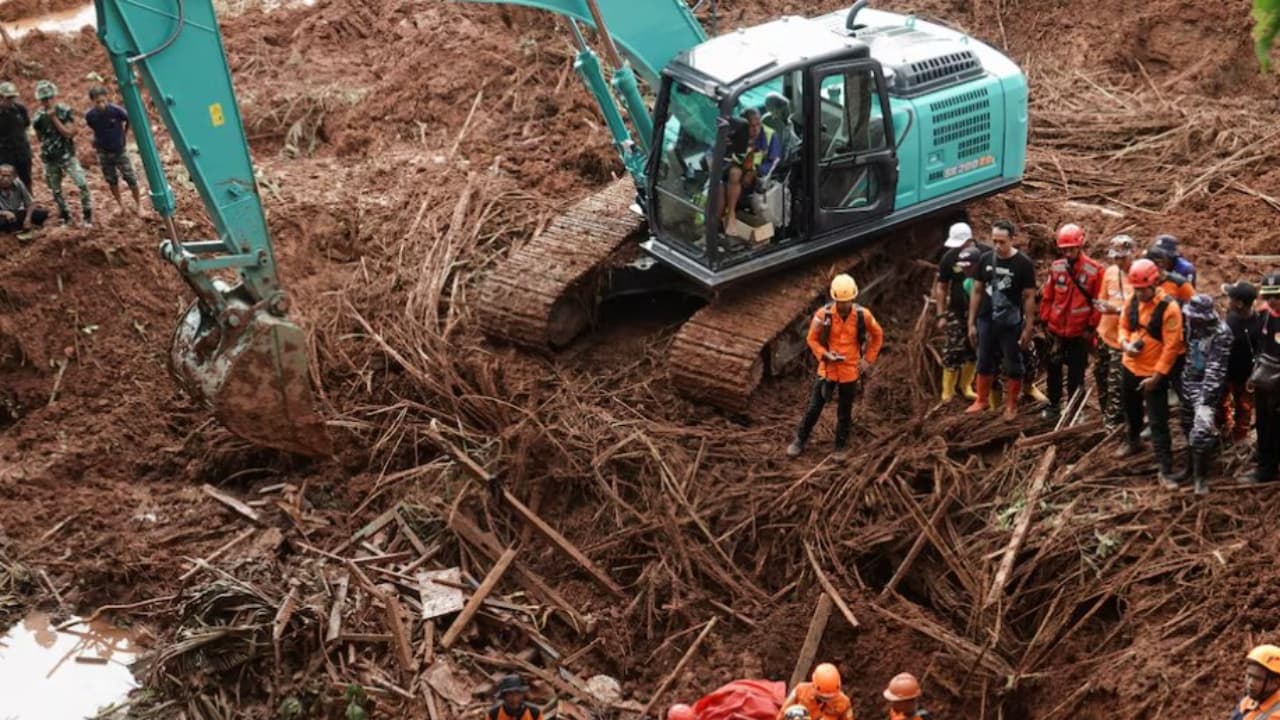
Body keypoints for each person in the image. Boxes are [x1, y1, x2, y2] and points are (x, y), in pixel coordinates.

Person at [787, 273, 883, 459]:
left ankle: (840, 446)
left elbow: (878, 335)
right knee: (814, 408)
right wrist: (824, 355)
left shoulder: (864, 316)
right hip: (827, 371)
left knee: (844, 412)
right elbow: (812, 339)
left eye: (847, 301)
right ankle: (800, 440)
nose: (844, 305)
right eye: (840, 301)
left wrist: (868, 360)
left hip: (850, 371)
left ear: (853, 298)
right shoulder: (823, 315)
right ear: (834, 298)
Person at [1114, 258, 1184, 484]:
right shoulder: (1132, 300)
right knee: (1131, 410)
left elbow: (1172, 346)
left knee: (1158, 421)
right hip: (1130, 366)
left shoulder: (1169, 308)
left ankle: (1165, 467)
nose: (1140, 293)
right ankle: (1133, 440)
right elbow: (1123, 326)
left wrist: (1157, 376)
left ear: (1154, 284)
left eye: (1143, 289)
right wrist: (1125, 344)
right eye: (1137, 289)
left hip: (1154, 373)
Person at [966, 219, 1037, 420]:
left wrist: (1028, 327)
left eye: (1002, 242)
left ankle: (1011, 405)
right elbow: (977, 290)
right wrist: (971, 321)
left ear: (1012, 239)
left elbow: (1029, 296)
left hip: (1011, 321)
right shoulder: (986, 259)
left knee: (1013, 363)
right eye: (994, 241)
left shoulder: (1023, 264)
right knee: (984, 359)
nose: (997, 246)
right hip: (986, 318)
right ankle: (981, 399)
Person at [1165, 294, 1232, 494]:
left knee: (1201, 430)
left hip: (1206, 387)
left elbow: (1215, 370)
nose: (1191, 319)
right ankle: (1189, 468)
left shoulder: (1221, 333)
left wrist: (1204, 402)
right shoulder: (1192, 324)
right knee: (1186, 425)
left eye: (1195, 316)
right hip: (1189, 380)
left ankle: (1200, 478)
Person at [1038, 223, 1103, 420]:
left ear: (1080, 245)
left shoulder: (1095, 271)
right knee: (1053, 370)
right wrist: (1045, 321)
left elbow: (1098, 303)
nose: (1068, 253)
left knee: (1076, 374)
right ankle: (1054, 405)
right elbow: (1048, 297)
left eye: (1071, 249)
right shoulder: (1057, 268)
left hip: (1079, 333)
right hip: (1056, 331)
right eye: (1064, 250)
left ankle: (1075, 410)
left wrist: (1090, 327)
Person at [933, 222, 988, 403]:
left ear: (970, 240)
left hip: (981, 311)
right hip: (957, 310)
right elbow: (941, 287)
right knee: (953, 348)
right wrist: (941, 315)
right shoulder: (949, 258)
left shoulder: (986, 254)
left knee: (974, 348)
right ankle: (947, 391)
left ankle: (966, 385)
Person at [31, 80, 92, 227]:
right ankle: (65, 216)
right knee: (56, 191)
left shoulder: (64, 111)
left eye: (50, 97)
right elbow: (40, 137)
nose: (48, 101)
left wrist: (54, 118)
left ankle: (87, 216)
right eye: (44, 99)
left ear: (55, 96)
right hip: (50, 159)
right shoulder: (38, 117)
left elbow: (69, 133)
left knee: (82, 184)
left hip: (67, 156)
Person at [1238, 273, 1280, 485]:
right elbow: (1259, 347)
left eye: (1277, 296)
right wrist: (1253, 373)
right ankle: (1266, 467)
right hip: (1265, 378)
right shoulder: (1264, 315)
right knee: (1264, 424)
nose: (1273, 301)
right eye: (1269, 296)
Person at [1094, 235, 1136, 430]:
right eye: (1115, 258)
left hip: (1122, 343)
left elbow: (1141, 313)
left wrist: (1117, 311)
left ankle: (1112, 426)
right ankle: (1106, 418)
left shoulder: (1139, 278)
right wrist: (1102, 307)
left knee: (1116, 388)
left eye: (1122, 258)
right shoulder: (1110, 273)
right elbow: (1103, 298)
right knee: (1100, 378)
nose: (1118, 262)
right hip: (1105, 335)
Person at [85, 85, 142, 215]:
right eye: (97, 102)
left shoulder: (116, 111)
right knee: (111, 179)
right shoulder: (90, 116)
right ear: (92, 102)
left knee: (130, 177)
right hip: (103, 152)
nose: (101, 104)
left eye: (103, 101)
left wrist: (123, 135)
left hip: (119, 151)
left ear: (107, 99)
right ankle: (120, 204)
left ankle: (139, 205)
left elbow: (128, 119)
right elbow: (94, 128)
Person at [723, 107, 780, 233]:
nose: (755, 129)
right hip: (735, 173)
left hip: (758, 180)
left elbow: (773, 162)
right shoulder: (736, 135)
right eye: (751, 126)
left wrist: (754, 173)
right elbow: (725, 156)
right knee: (732, 176)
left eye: (758, 124)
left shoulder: (770, 135)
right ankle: (728, 216)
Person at [1221, 280, 1260, 443]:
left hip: (1246, 377)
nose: (1227, 301)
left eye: (1230, 298)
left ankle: (1240, 437)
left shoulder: (1259, 325)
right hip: (1226, 373)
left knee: (1244, 408)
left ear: (1239, 303)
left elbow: (1261, 352)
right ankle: (1224, 428)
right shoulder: (1231, 318)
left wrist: (1253, 375)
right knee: (1221, 403)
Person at [777, 663, 855, 720]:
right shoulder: (800, 690)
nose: (826, 700)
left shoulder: (843, 703)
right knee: (796, 713)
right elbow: (783, 713)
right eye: (822, 697)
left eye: (829, 698)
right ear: (814, 685)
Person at [1230, 644, 1280, 720]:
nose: (1250, 683)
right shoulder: (1248, 701)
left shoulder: (1276, 714)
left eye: (1258, 678)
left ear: (1276, 681)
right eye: (1249, 675)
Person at [0, 82, 34, 190]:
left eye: (13, 97)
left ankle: (28, 204)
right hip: (4, 153)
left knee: (26, 180)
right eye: (8, 98)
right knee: (5, 182)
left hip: (22, 151)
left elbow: (27, 125)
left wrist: (27, 140)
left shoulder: (20, 109)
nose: (11, 100)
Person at [0, 163, 50, 234]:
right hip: (2, 216)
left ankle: (18, 227)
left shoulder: (18, 184)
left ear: (14, 177)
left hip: (17, 213)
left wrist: (28, 219)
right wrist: (5, 213)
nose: (6, 179)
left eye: (9, 176)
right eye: (3, 176)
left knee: (43, 213)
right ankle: (10, 231)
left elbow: (30, 203)